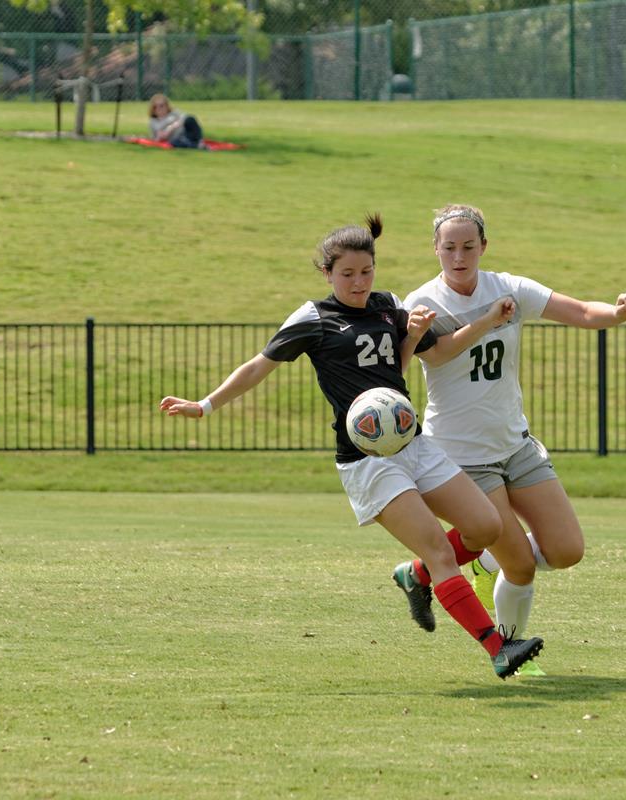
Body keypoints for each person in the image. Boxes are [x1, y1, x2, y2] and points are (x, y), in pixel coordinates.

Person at [159, 214, 544, 679]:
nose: (359, 282)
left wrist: (419, 334)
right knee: (444, 555)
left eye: (366, 272)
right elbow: (259, 366)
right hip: (368, 463)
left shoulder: (388, 306)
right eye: (347, 274)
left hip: (413, 444)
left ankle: (416, 575)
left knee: (484, 526)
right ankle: (497, 648)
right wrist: (205, 405)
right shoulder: (314, 319)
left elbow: (404, 369)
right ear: (327, 273)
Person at [405, 204, 626, 674]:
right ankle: (512, 651)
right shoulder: (423, 303)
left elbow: (579, 311)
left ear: (484, 247)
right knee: (521, 565)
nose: (459, 256)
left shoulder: (508, 287)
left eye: (468, 246)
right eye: (449, 247)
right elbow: (434, 358)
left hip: (515, 444)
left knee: (567, 551)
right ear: (435, 248)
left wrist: (617, 314)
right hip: (463, 456)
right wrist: (490, 321)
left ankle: (455, 567)